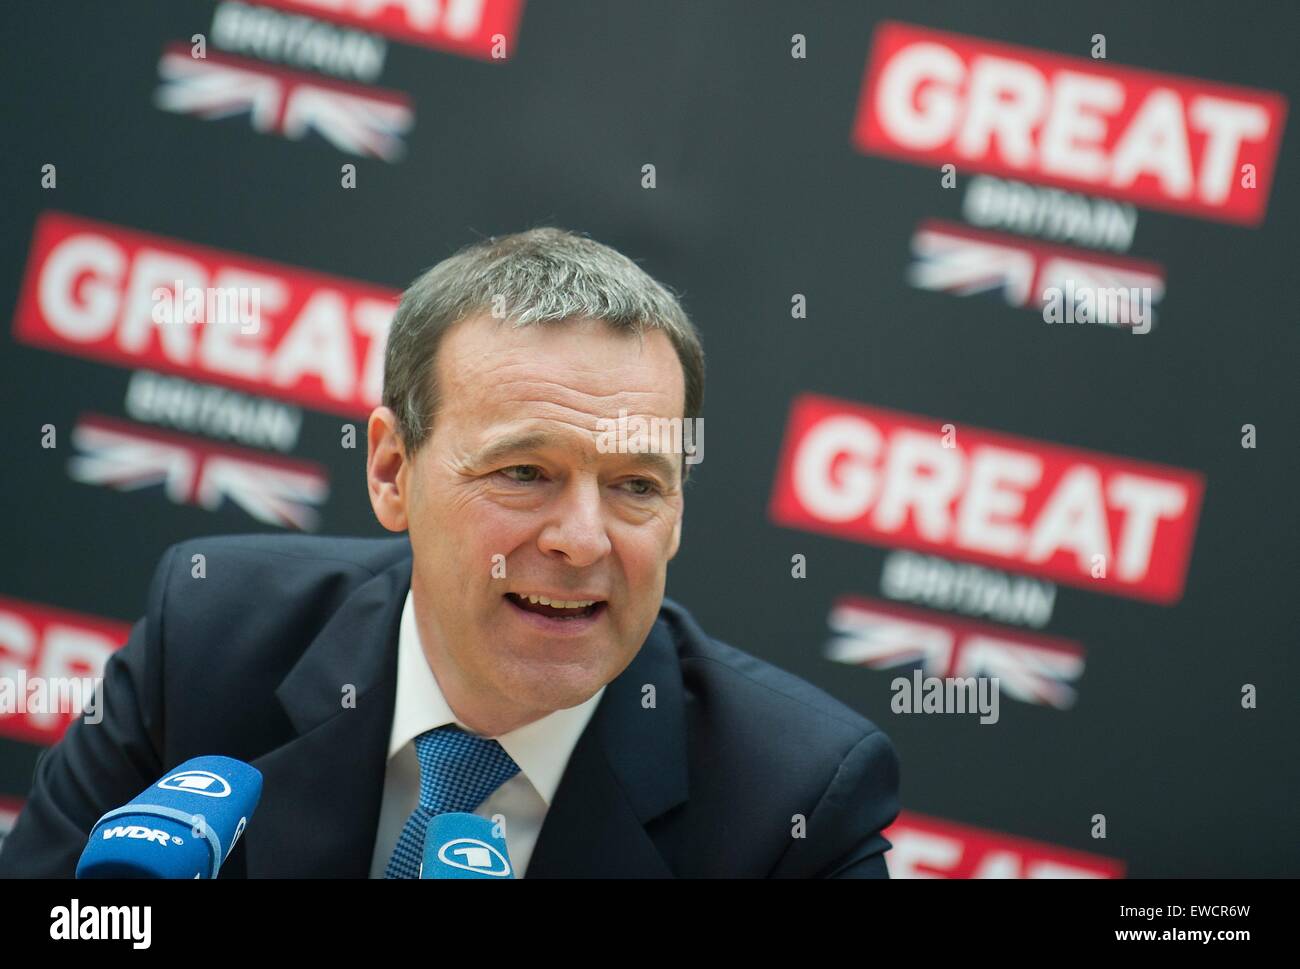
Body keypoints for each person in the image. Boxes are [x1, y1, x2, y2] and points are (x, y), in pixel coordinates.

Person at [0, 228, 900, 878]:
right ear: (394, 470)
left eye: (636, 485)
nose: (582, 539)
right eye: (523, 471)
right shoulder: (210, 638)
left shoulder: (795, 803)